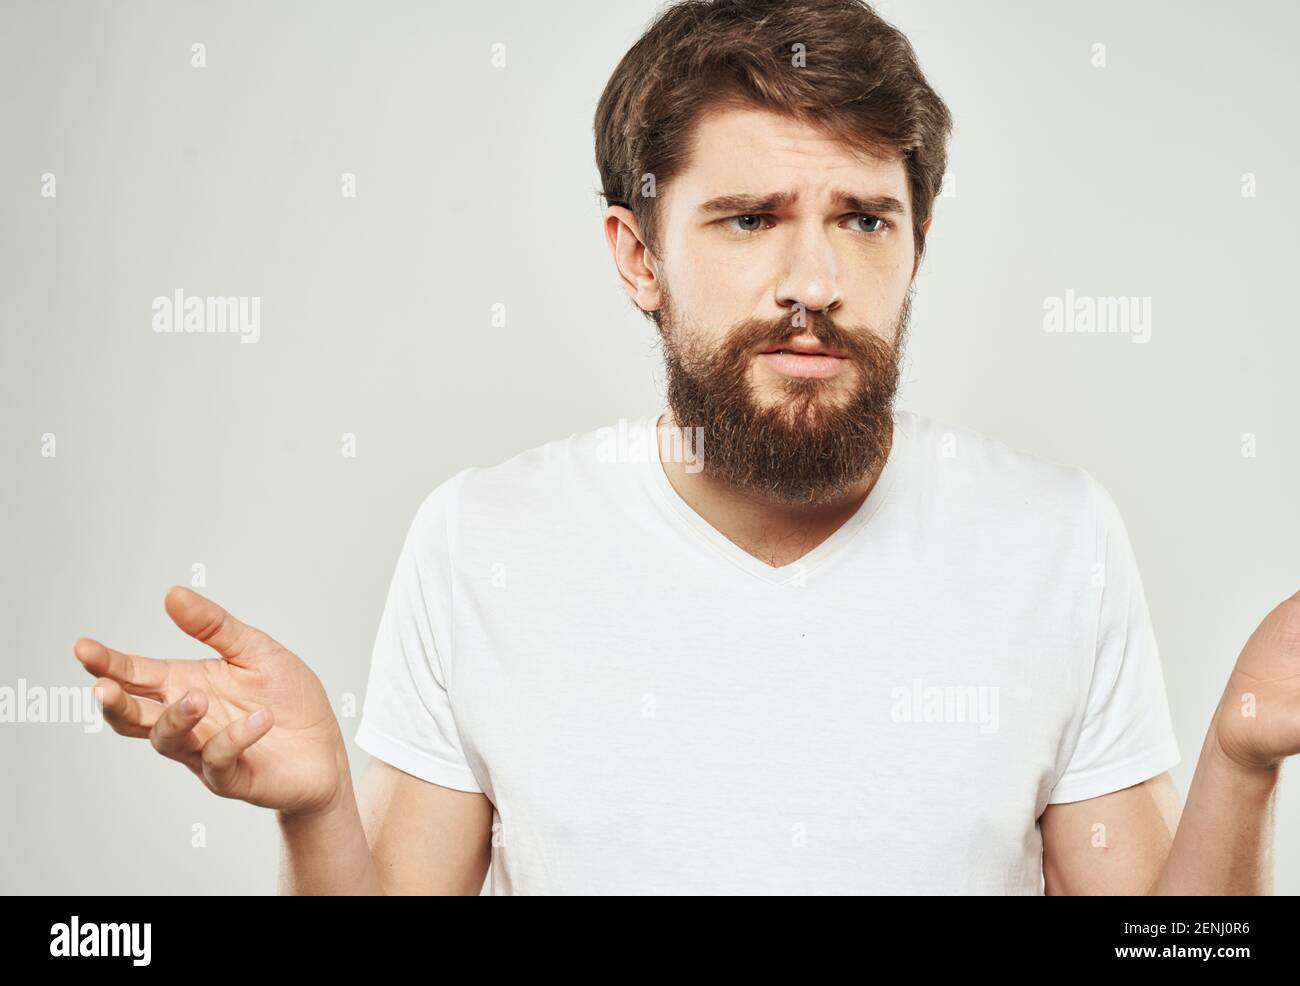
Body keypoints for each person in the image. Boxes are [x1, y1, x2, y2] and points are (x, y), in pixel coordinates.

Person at [74, 0, 1296, 895]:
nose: (813, 280)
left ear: (916, 244)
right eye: (750, 218)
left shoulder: (1054, 537)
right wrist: (318, 811)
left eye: (864, 218)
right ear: (637, 255)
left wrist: (1241, 753)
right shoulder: (482, 543)